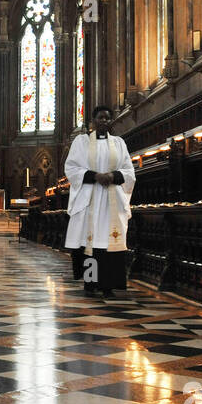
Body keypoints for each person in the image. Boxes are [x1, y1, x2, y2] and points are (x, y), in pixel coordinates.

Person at [64, 106, 135, 296]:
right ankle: (90, 283)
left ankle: (108, 286)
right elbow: (71, 168)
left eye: (107, 118)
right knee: (90, 245)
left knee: (109, 244)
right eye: (100, 118)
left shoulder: (119, 143)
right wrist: (95, 176)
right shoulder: (82, 142)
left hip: (112, 201)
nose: (104, 121)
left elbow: (129, 171)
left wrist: (112, 176)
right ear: (93, 121)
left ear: (111, 121)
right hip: (90, 200)